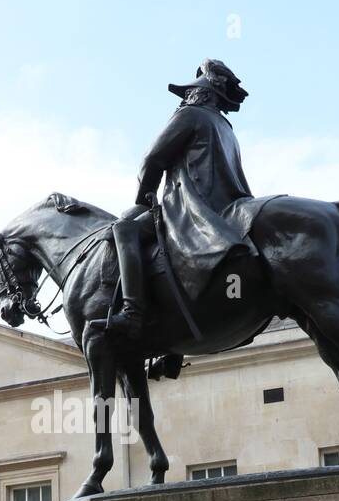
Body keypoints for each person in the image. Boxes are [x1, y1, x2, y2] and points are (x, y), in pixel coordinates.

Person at [106, 59, 257, 340]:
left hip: (193, 206)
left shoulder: (190, 115)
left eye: (190, 92)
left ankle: (132, 312)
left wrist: (142, 199)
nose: (186, 97)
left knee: (123, 229)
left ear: (202, 94)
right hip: (228, 206)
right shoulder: (226, 128)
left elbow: (153, 159)